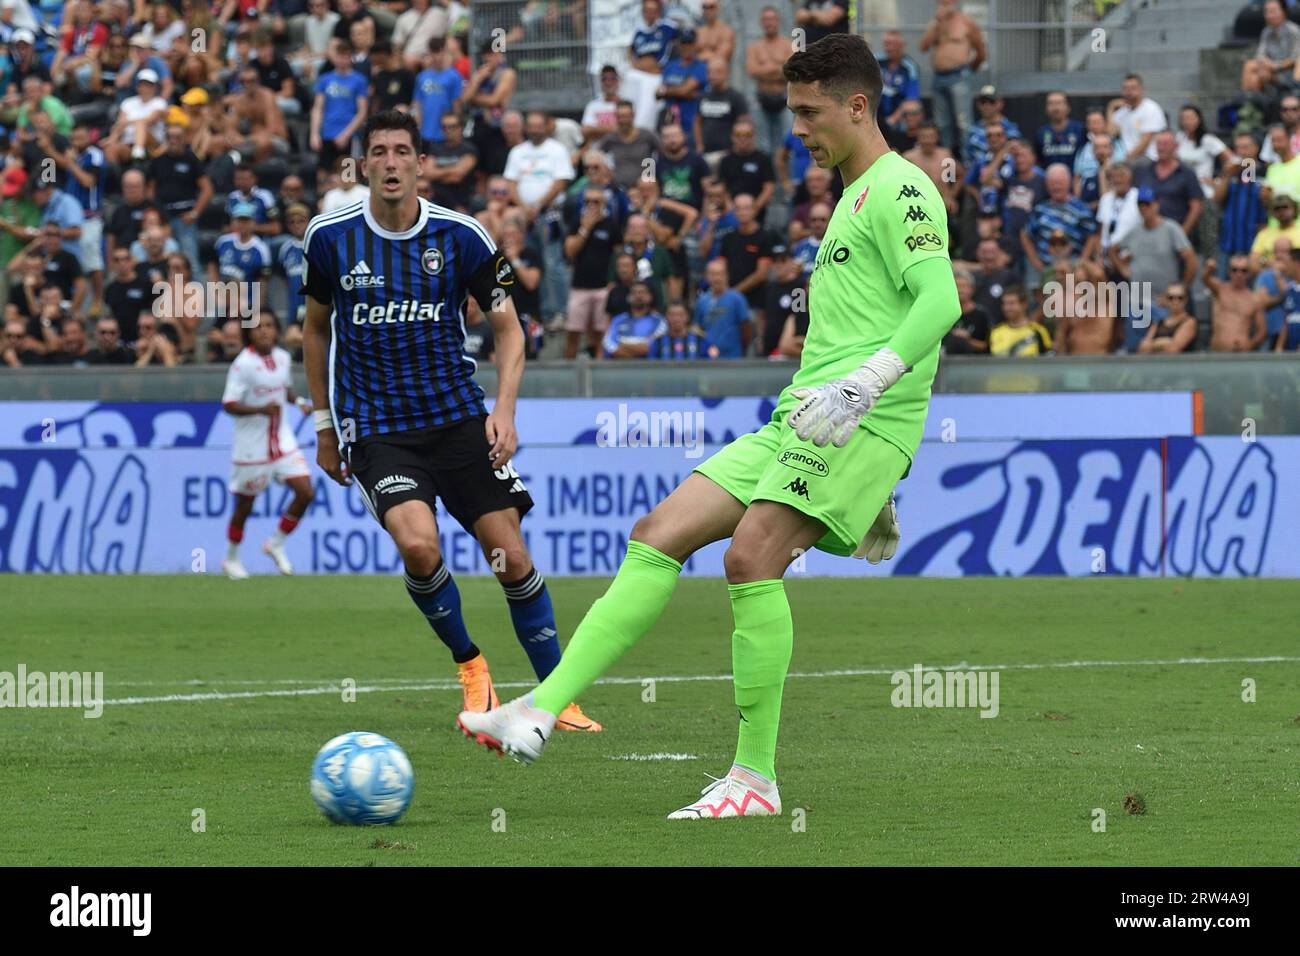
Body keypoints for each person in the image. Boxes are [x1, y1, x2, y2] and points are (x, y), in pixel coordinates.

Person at [458, 34, 961, 820]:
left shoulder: (901, 189)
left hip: (856, 420)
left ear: (857, 106)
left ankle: (754, 780)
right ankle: (539, 709)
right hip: (805, 417)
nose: (795, 129)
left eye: (808, 113)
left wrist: (870, 392)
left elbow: (941, 303)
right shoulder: (851, 195)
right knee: (659, 530)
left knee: (750, 556)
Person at [300, 110, 600, 731]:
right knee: (417, 544)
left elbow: (509, 330)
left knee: (510, 558)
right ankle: (471, 666)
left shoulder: (464, 236)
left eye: (401, 151)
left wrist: (505, 410)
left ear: (419, 164)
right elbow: (312, 332)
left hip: (458, 420)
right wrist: (325, 427)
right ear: (362, 166)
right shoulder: (328, 238)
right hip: (377, 429)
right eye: (377, 151)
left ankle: (558, 693)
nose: (389, 162)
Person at [220, 311, 316, 579]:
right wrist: (260, 410)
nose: (264, 331)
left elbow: (284, 389)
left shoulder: (283, 358)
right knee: (245, 506)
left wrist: (298, 403)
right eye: (259, 327)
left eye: (270, 326)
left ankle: (275, 543)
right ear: (249, 333)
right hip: (252, 446)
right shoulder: (243, 365)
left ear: (277, 330)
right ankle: (231, 557)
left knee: (305, 492)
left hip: (282, 441)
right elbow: (228, 404)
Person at [920, 0, 985, 154]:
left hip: (959, 76)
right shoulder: (935, 24)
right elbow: (923, 46)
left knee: (964, 123)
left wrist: (970, 69)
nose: (944, 4)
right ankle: (947, 161)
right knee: (942, 123)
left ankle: (967, 160)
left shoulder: (966, 22)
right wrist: (937, 22)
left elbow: (981, 50)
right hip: (939, 78)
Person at [989, 285, 1051, 356]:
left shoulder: (1038, 331)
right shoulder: (995, 332)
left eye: (1011, 303)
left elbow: (1047, 363)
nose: (1006, 308)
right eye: (1004, 303)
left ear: (1024, 304)